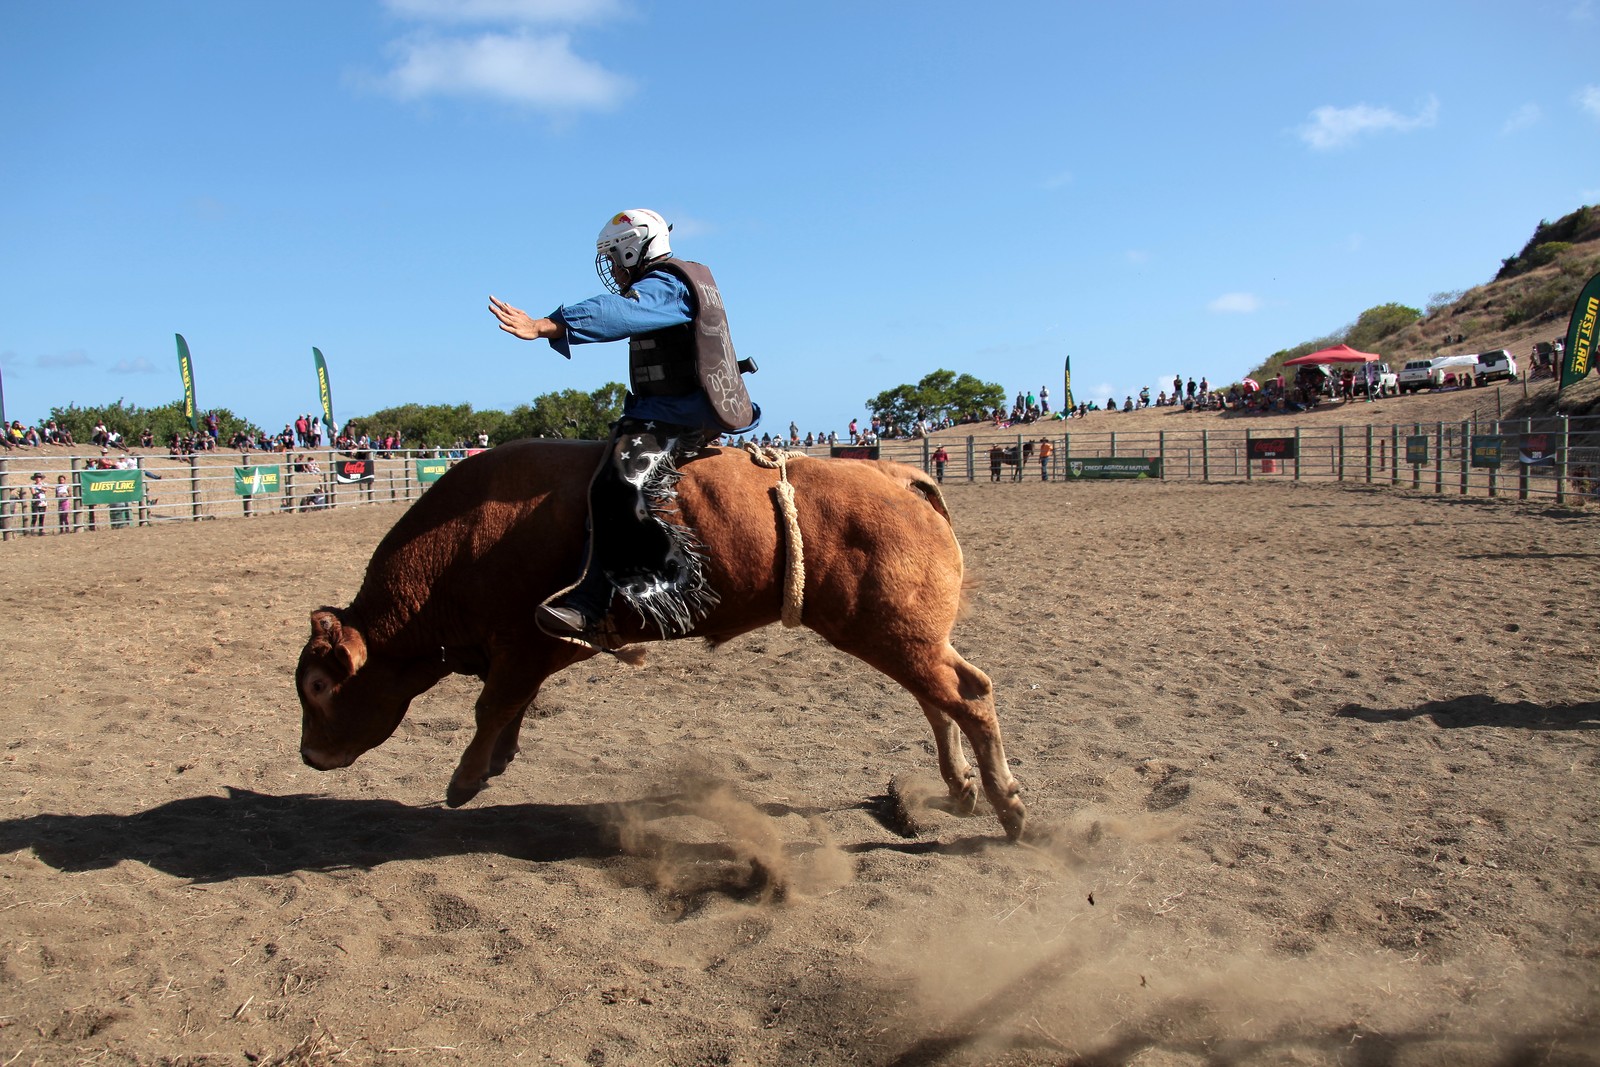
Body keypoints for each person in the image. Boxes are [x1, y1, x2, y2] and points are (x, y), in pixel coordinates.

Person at [489, 208, 759, 647]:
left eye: (615, 257)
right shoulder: (670, 282)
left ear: (635, 247)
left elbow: (619, 313)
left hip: (681, 414)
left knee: (614, 485)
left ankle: (597, 603)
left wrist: (548, 325)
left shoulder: (667, 285)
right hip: (665, 409)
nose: (613, 269)